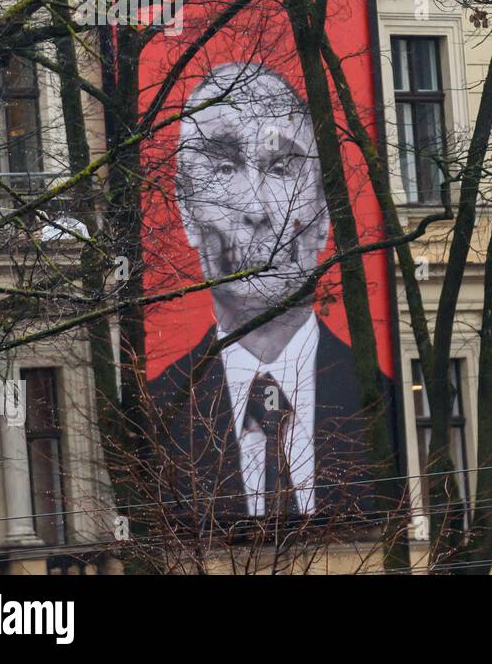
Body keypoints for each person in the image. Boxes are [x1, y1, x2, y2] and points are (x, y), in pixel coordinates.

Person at [149, 62, 384, 525]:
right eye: (222, 166)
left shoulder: (385, 401)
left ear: (322, 213)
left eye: (281, 168)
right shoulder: (150, 412)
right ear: (187, 210)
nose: (256, 208)